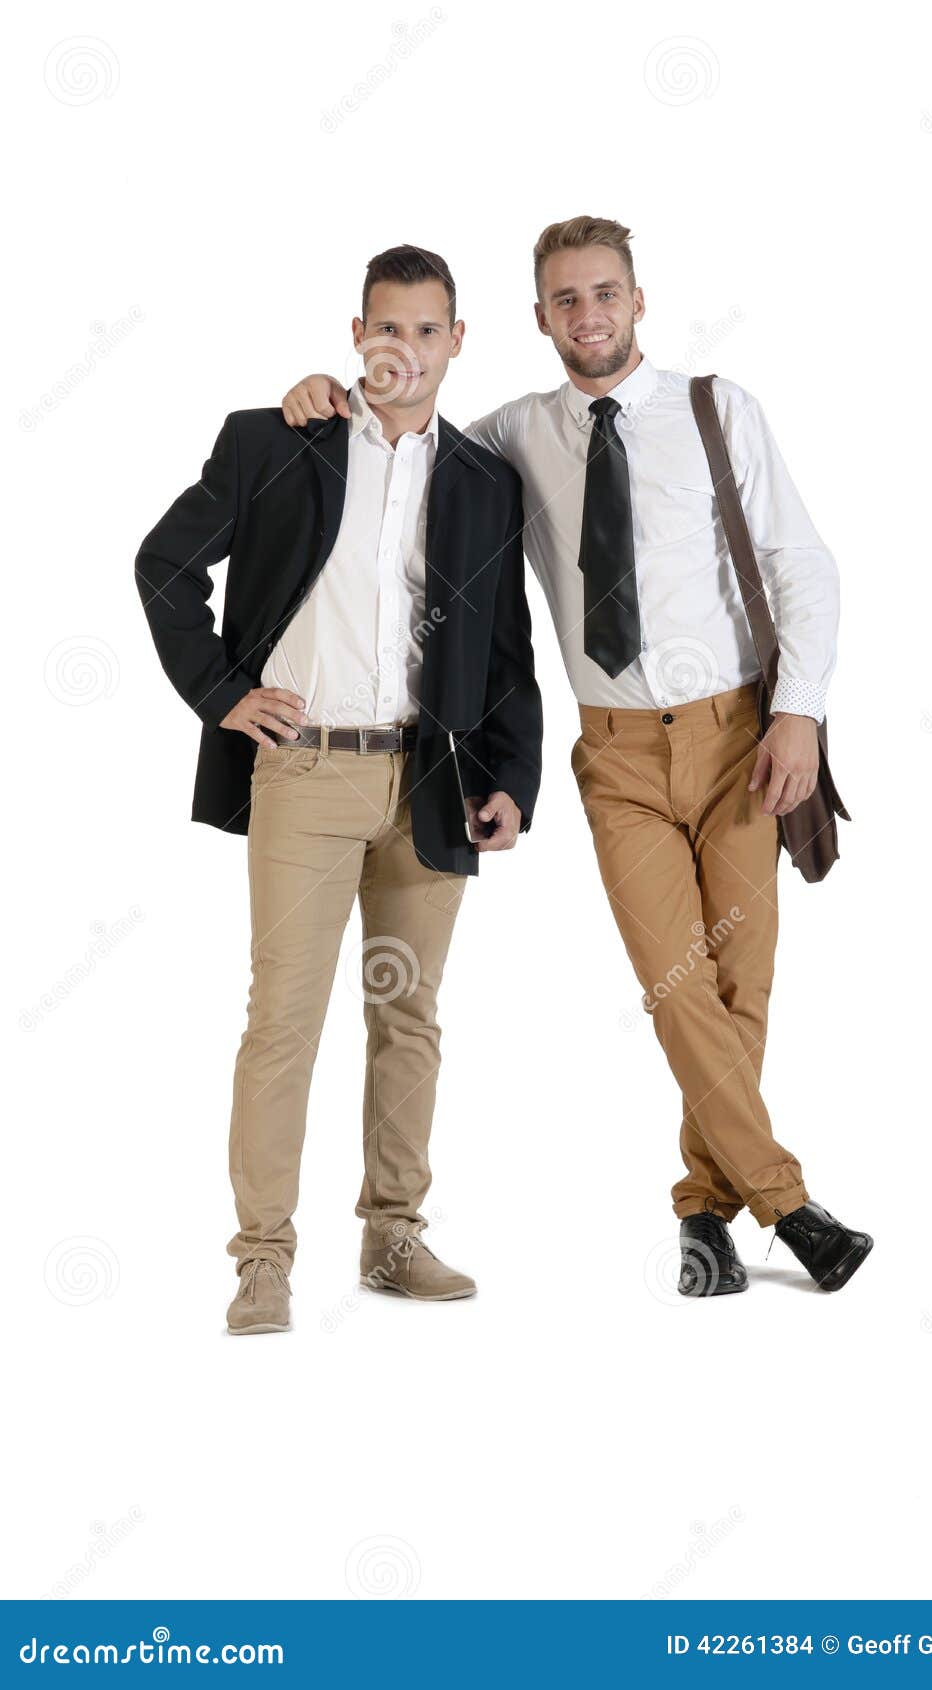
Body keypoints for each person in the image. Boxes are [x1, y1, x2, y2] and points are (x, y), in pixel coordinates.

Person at [279, 216, 871, 1298]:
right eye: (565, 299)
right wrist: (329, 391)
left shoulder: (717, 409)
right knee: (675, 979)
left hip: (743, 732)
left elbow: (802, 564)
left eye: (605, 293)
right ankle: (787, 1202)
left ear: (638, 300)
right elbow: (410, 433)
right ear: (538, 317)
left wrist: (803, 712)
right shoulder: (513, 437)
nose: (587, 315)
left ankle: (704, 1209)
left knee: (740, 982)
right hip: (618, 755)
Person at [136, 244, 542, 1333]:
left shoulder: (482, 478)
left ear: (458, 339)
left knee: (409, 1018)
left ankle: (393, 1234)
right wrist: (222, 690)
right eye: (385, 327)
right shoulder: (277, 441)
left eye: (425, 329)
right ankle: (263, 1257)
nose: (402, 347)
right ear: (355, 332)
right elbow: (165, 565)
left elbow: (508, 647)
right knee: (285, 1021)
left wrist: (513, 777)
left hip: (431, 780)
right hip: (306, 771)